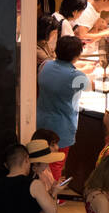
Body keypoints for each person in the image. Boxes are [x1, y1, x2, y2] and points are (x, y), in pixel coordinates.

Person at [36, 36, 89, 178]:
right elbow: (92, 86)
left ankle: (42, 189)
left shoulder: (45, 65)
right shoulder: (76, 76)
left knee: (41, 161)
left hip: (40, 121)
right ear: (77, 55)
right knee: (56, 163)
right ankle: (52, 196)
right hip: (61, 127)